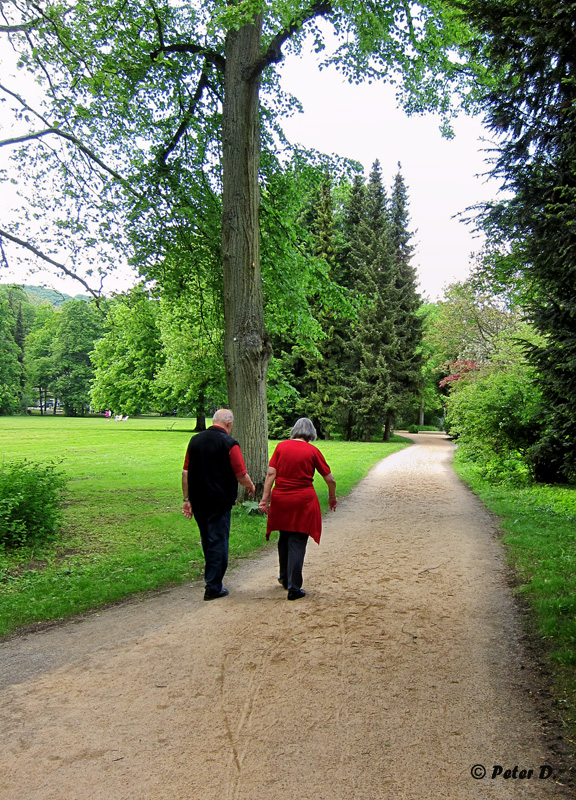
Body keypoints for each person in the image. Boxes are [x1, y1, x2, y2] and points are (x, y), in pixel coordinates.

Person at [258, 418, 337, 600]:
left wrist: (264, 499)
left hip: (281, 499)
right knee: (297, 540)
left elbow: (271, 473)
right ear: (312, 434)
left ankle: (285, 578)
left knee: (284, 538)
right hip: (302, 500)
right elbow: (330, 479)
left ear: (294, 430)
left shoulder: (281, 447)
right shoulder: (313, 451)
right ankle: (294, 588)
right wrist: (332, 497)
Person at [182, 408, 255, 600]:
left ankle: (213, 579)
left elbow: (185, 472)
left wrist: (186, 499)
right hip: (219, 500)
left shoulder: (195, 440)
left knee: (208, 539)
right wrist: (251, 486)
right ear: (229, 424)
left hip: (198, 500)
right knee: (218, 541)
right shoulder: (230, 443)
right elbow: (241, 474)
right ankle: (213, 586)